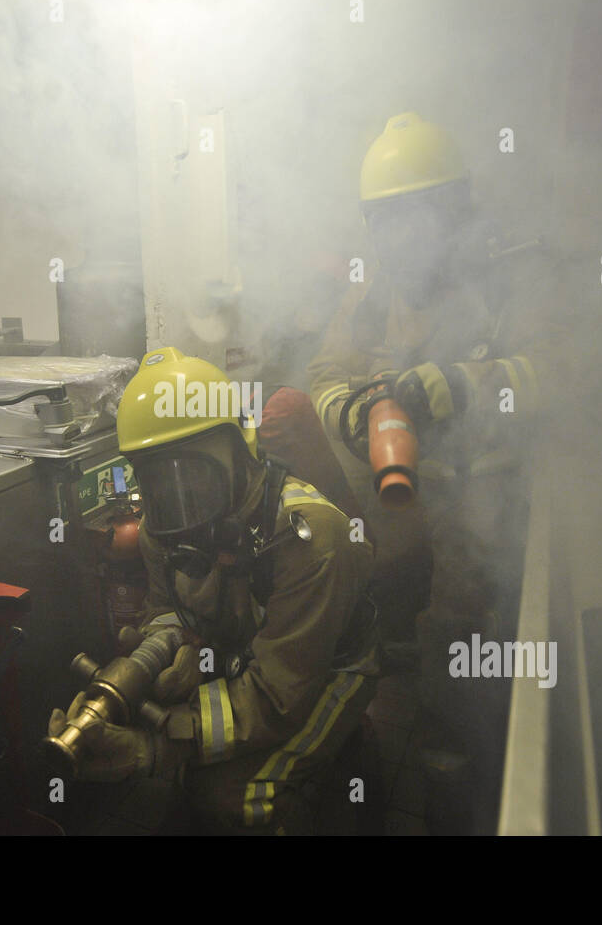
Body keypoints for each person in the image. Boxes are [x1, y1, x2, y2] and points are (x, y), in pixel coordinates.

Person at [307, 112, 569, 831]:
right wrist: (357, 411)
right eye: (384, 222)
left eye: (414, 217)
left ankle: (478, 799)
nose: (400, 239)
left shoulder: (518, 278)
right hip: (413, 521)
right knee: (433, 683)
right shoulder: (379, 290)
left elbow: (564, 375)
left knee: (477, 685)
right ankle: (441, 795)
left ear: (456, 210)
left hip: (497, 531)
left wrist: (460, 382)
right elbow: (325, 373)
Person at [50, 346, 380, 834]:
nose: (178, 504)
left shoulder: (308, 536)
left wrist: (155, 747)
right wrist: (159, 657)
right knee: (195, 772)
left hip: (328, 668)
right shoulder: (158, 529)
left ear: (237, 448)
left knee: (231, 798)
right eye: (158, 480)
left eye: (191, 474)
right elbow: (166, 611)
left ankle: (334, 763)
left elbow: (278, 696)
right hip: (249, 653)